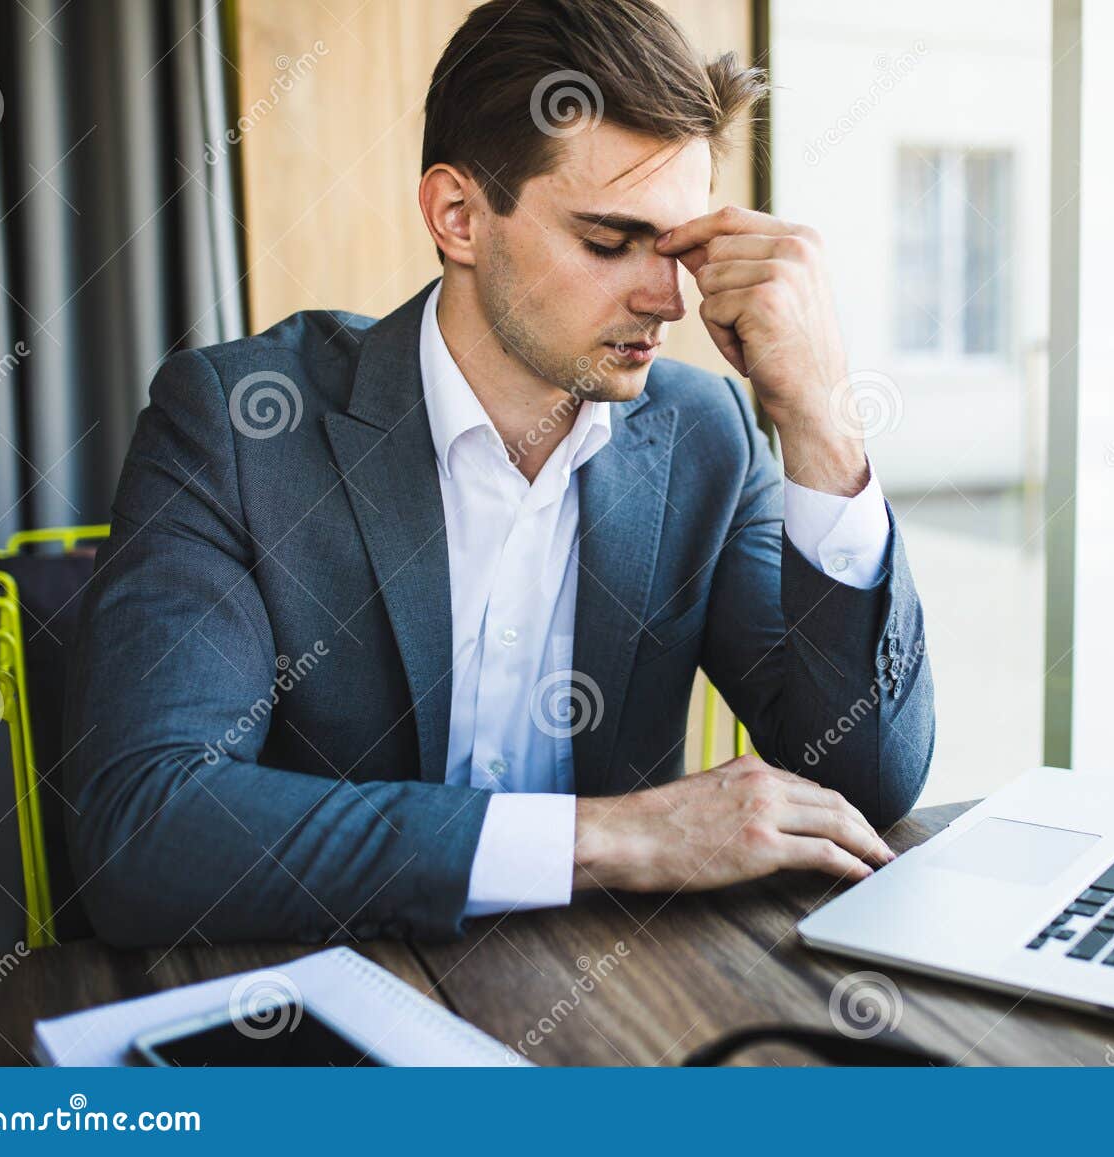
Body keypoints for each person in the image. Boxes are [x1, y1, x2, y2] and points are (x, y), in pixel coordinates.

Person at [65, 0, 934, 947]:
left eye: (682, 247)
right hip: (319, 1012)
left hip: (611, 1014)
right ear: (458, 215)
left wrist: (819, 418)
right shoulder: (239, 428)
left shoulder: (707, 435)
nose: (667, 299)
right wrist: (607, 838)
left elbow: (864, 778)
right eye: (610, 242)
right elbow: (143, 830)